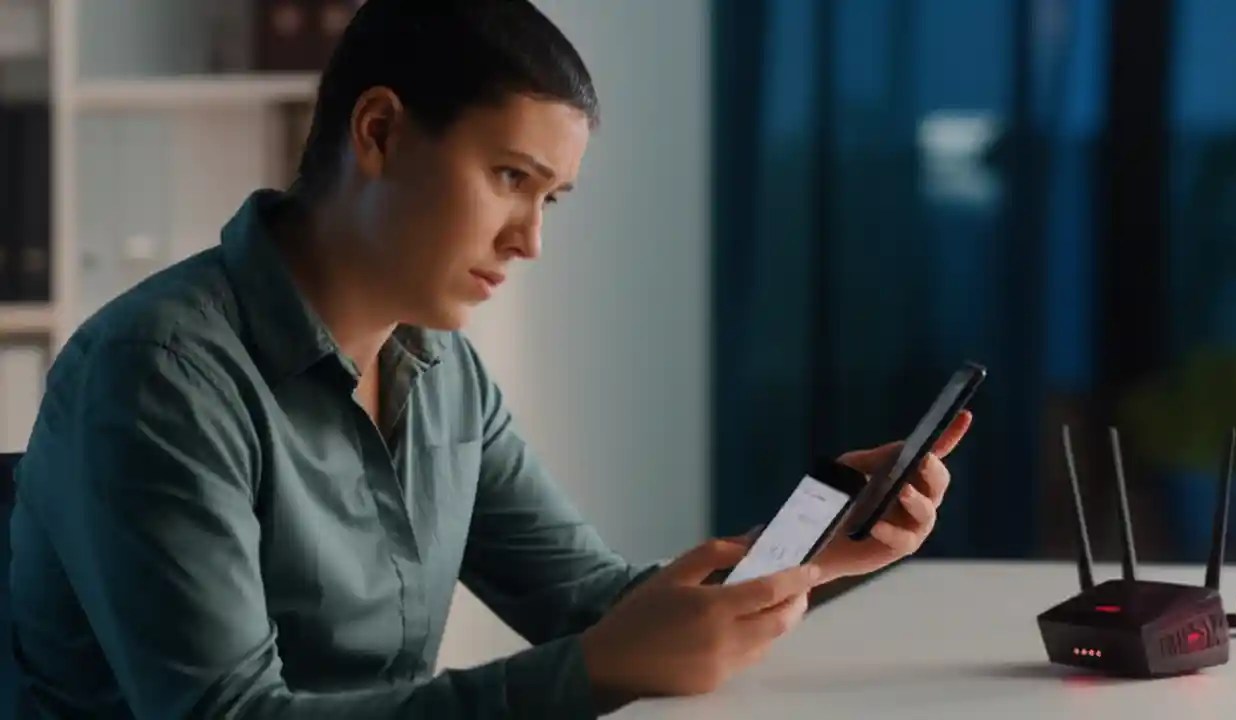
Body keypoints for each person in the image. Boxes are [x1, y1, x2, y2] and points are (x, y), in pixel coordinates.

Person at [7, 1, 972, 717]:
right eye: (511, 177)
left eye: (550, 199)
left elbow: (592, 604)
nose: (529, 242)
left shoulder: (439, 373)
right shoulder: (159, 373)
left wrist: (815, 554)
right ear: (378, 132)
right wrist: (593, 672)